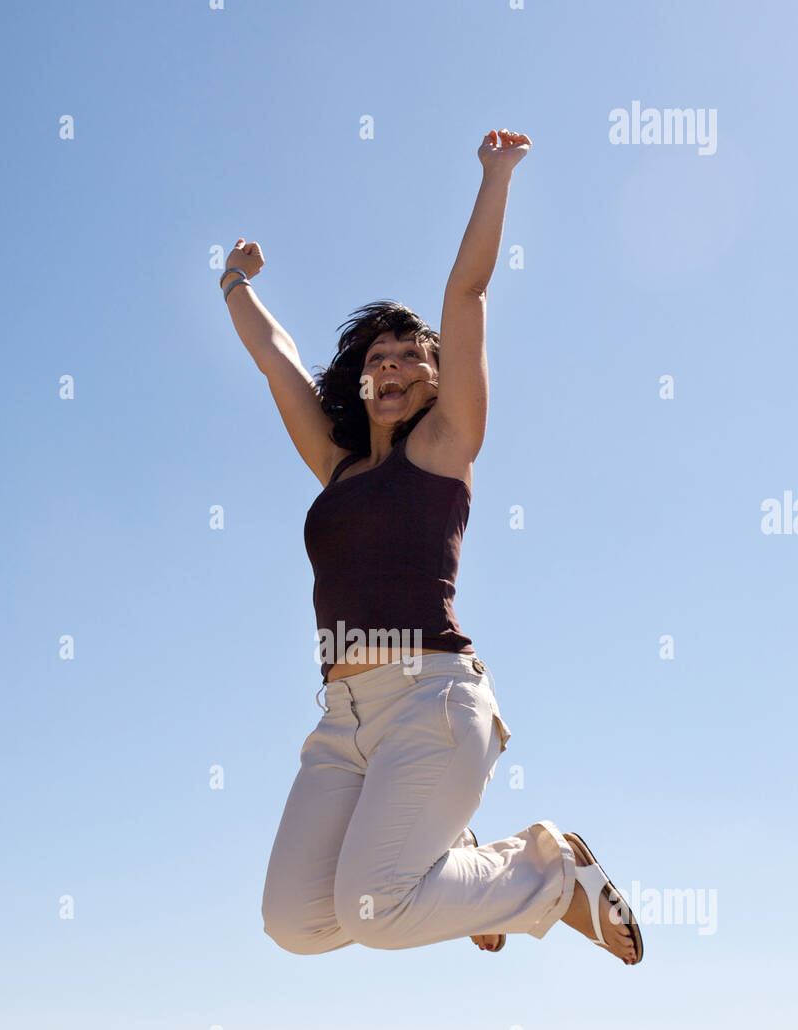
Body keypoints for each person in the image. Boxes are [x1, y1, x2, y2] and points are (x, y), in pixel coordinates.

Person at [220, 128, 643, 967]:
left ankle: (549, 871)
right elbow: (278, 362)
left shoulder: (445, 447)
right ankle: (456, 880)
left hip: (431, 700)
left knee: (376, 911)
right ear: (362, 381)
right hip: (341, 723)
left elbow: (470, 290)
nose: (396, 367)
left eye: (414, 357)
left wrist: (497, 175)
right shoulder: (336, 467)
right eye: (380, 359)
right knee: (295, 923)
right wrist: (232, 281)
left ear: (439, 381)